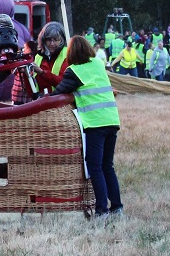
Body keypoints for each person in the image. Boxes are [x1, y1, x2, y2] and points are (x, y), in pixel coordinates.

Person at [51, 36, 123, 218]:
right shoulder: (98, 64)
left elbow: (58, 93)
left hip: (95, 123)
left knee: (95, 166)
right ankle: (117, 208)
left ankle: (101, 210)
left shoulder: (74, 71)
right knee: (108, 166)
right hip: (112, 120)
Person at [33, 22, 70, 93]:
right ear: (43, 40)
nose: (52, 43)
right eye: (49, 40)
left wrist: (42, 73)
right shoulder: (38, 57)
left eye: (56, 40)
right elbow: (32, 87)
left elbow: (64, 84)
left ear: (62, 40)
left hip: (60, 101)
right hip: (41, 100)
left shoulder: (67, 55)